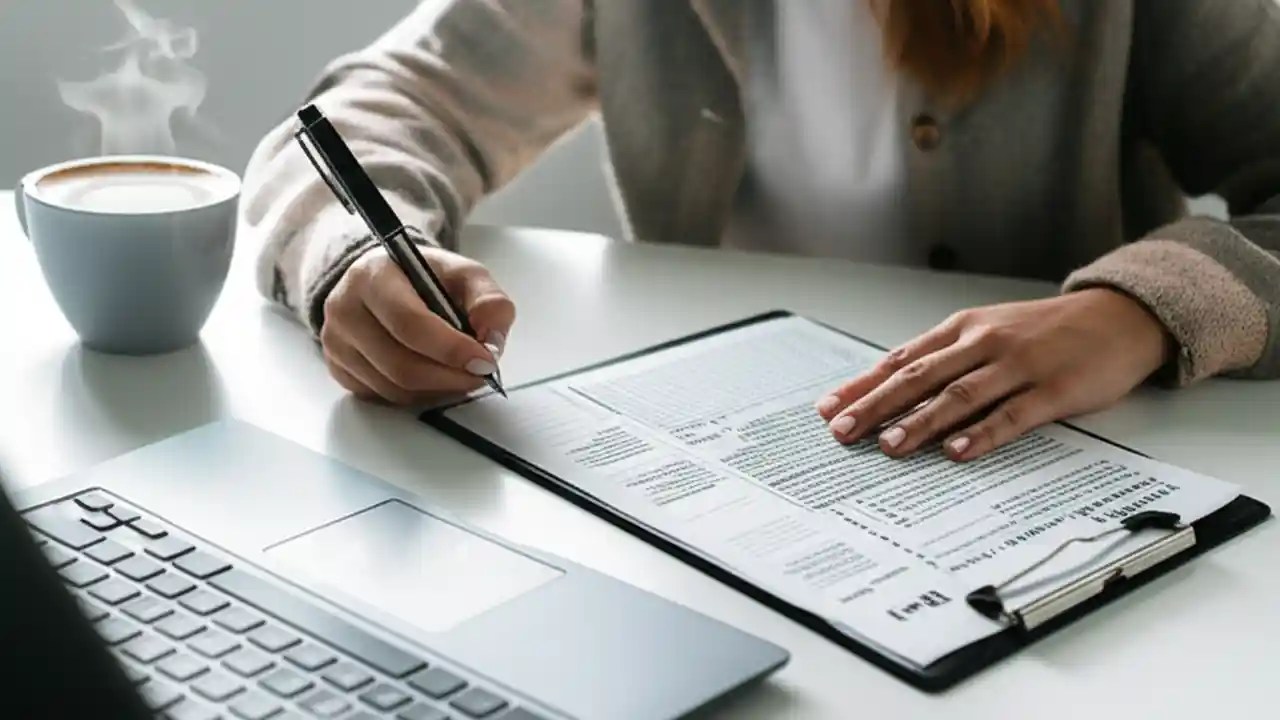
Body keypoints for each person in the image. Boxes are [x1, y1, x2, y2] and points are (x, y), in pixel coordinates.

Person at [242, 0, 1280, 463]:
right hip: (739, 467)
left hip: (1065, 462)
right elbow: (375, 111)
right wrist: (356, 259)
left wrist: (1135, 311)